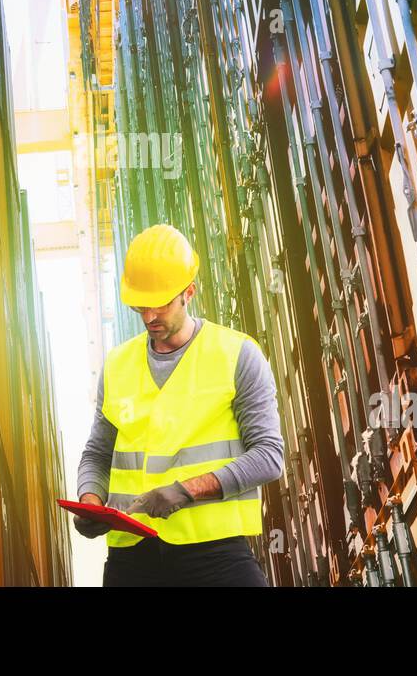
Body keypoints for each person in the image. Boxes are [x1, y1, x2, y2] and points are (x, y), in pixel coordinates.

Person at [73, 223, 284, 586]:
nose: (150, 316)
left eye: (162, 303)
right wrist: (90, 499)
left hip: (214, 553)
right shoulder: (118, 366)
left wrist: (185, 492)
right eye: (141, 305)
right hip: (131, 556)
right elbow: (97, 452)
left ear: (189, 292)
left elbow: (269, 456)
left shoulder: (236, 355)